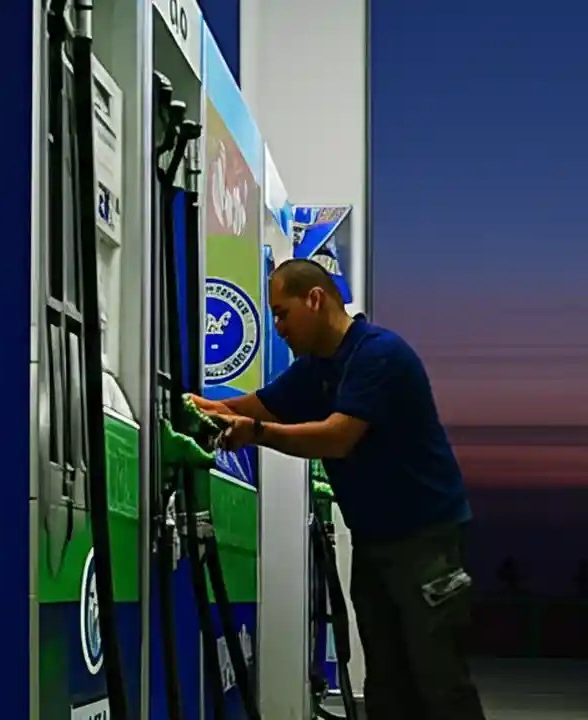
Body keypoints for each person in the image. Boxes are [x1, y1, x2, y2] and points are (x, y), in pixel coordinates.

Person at [189, 258, 487, 720]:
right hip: (376, 542)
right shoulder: (318, 369)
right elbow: (264, 404)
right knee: (386, 683)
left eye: (282, 313)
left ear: (315, 298)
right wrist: (205, 407)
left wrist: (253, 432)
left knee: (439, 680)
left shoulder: (378, 355)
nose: (279, 327)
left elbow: (338, 437)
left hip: (426, 542)